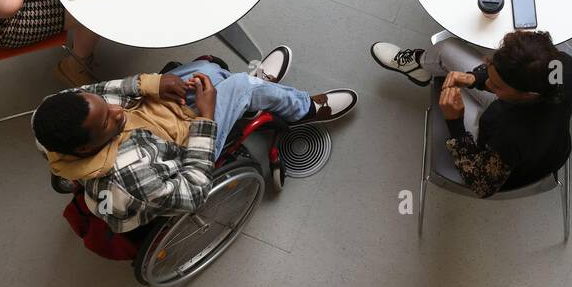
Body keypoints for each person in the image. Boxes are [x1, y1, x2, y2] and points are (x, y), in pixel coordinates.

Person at [31, 47, 356, 233]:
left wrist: (152, 84)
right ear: (87, 148)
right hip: (185, 154)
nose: (116, 110)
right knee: (238, 85)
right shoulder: (130, 178)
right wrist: (204, 118)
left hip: (151, 124)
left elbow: (101, 93)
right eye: (107, 119)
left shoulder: (47, 117)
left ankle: (254, 92)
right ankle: (305, 108)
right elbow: (194, 192)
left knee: (205, 70)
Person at [371, 32, 572, 198]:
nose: (487, 84)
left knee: (448, 87)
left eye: (495, 85)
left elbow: (481, 185)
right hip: (540, 137)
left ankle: (426, 70)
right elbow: (497, 76)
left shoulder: (508, 132)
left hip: (511, 162)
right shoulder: (565, 66)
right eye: (490, 71)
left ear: (527, 94)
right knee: (446, 49)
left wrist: (455, 122)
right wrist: (474, 77)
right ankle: (419, 68)